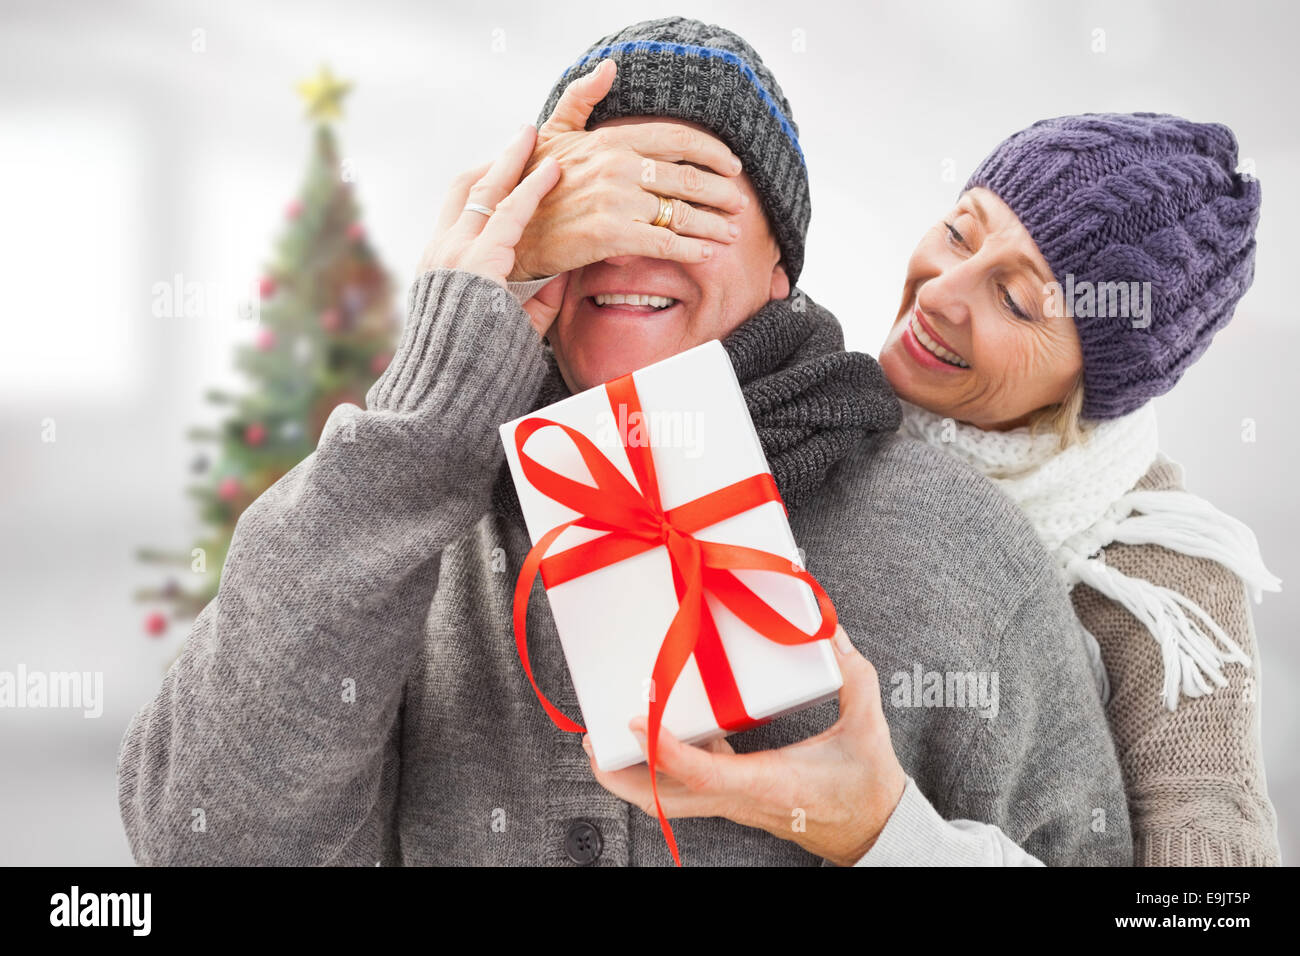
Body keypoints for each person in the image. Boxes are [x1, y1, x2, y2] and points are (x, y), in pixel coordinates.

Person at [117, 17, 1131, 866]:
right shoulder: (399, 517)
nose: (628, 239)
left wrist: (884, 834)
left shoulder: (954, 543)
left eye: (686, 192)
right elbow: (203, 843)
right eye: (586, 197)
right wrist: (428, 401)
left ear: (784, 260)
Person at [878, 113, 1282, 865]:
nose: (942, 293)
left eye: (1018, 302)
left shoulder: (1166, 589)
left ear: (1094, 381)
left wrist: (887, 833)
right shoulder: (831, 420)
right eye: (961, 233)